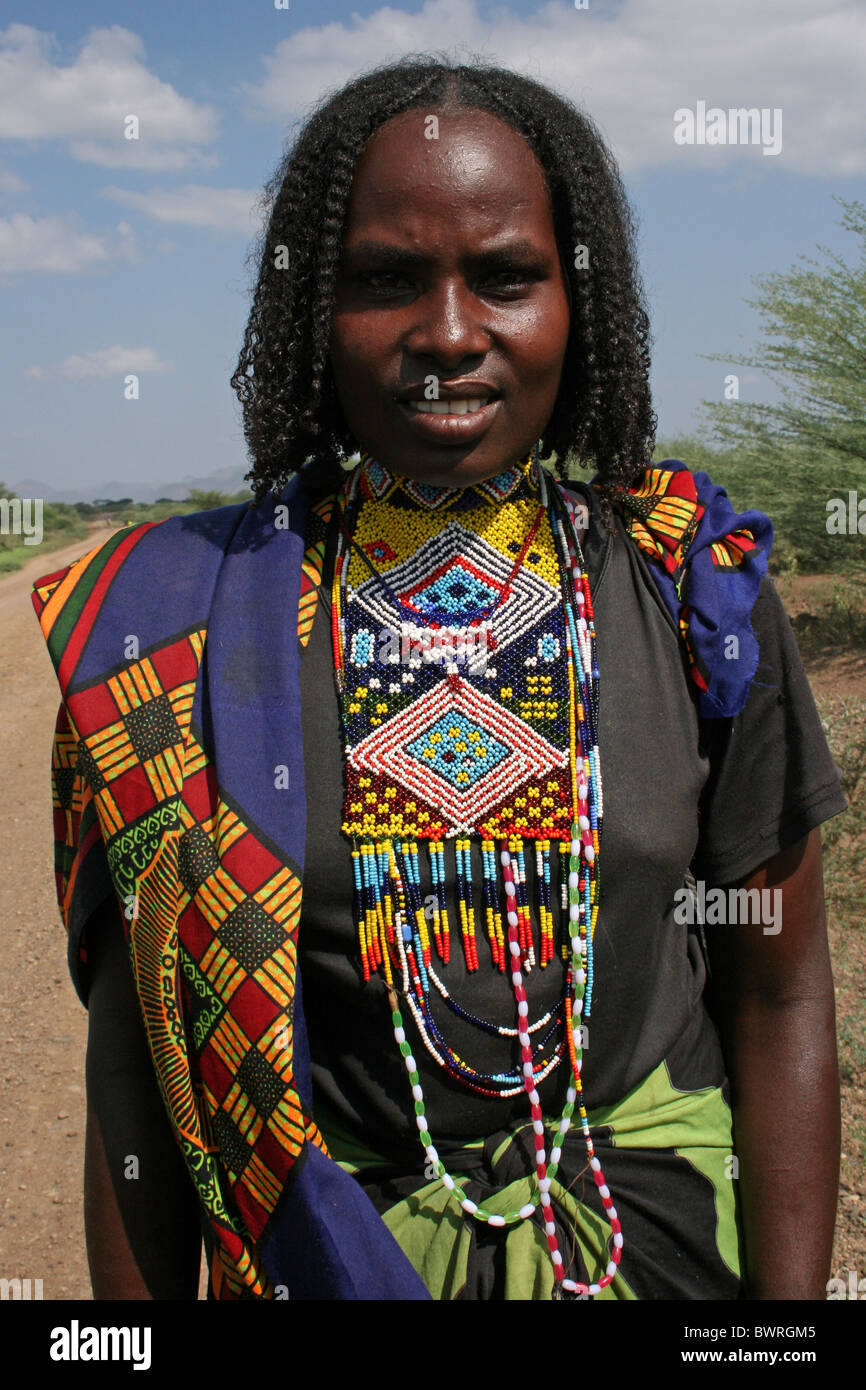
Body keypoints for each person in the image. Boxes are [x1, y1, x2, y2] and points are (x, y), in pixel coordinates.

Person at [33, 57, 846, 1301]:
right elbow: (144, 1071)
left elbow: (780, 995)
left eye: (506, 276)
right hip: (330, 1260)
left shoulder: (692, 591)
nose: (450, 333)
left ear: (580, 300)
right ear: (315, 311)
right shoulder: (169, 629)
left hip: (656, 1263)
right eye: (386, 280)